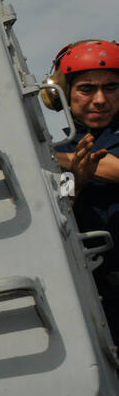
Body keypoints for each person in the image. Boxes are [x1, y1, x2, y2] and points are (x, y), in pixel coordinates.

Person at [47, 39, 119, 336]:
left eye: (111, 88)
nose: (100, 99)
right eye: (87, 89)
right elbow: (57, 213)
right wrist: (76, 179)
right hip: (99, 305)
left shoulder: (54, 155)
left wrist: (49, 158)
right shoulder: (65, 149)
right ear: (63, 96)